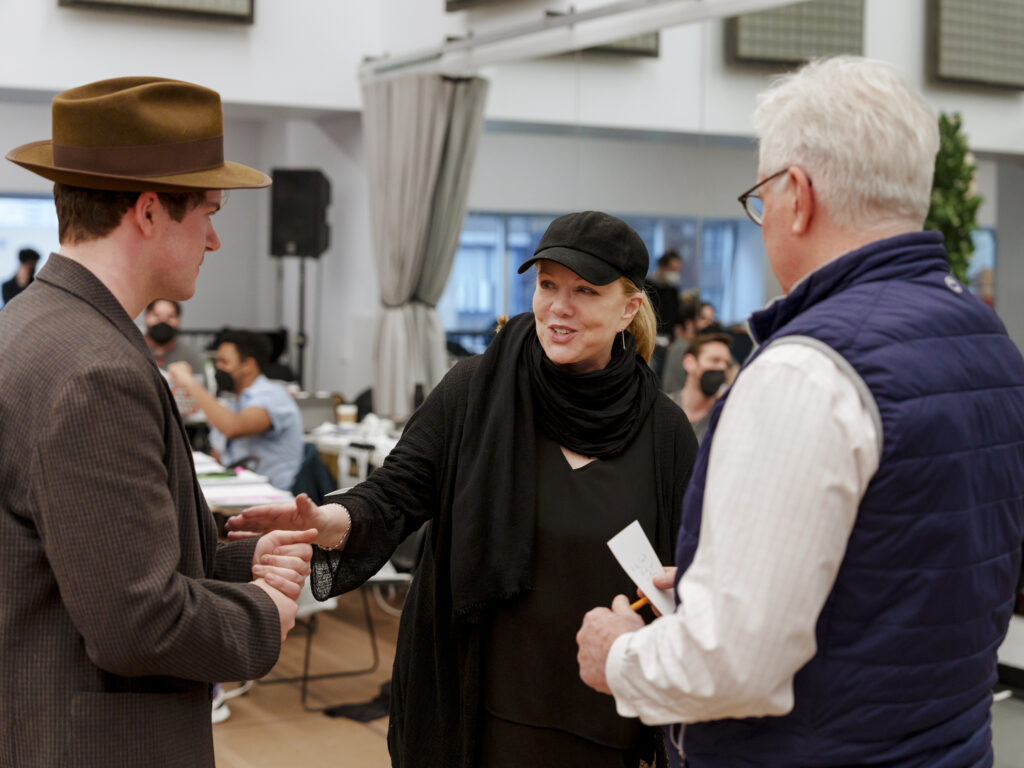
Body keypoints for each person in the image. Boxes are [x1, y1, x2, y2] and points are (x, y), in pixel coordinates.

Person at [576, 56, 1024, 768]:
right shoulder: (986, 339)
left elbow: (736, 665)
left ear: (798, 195)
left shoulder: (806, 370)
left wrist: (621, 656)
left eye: (760, 198)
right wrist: (727, 573)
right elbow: (910, 565)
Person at [228, 210, 699, 767]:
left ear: (629, 308)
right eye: (547, 285)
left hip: (603, 710)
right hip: (479, 701)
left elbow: (691, 567)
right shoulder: (476, 391)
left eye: (585, 291)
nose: (558, 307)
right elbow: (395, 492)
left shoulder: (664, 431)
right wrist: (331, 520)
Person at [0, 77, 317, 768]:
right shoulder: (96, 370)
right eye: (207, 213)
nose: (215, 240)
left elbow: (92, 556)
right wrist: (264, 613)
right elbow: (137, 623)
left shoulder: (32, 324)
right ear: (148, 211)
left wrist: (240, 563)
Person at [169, 329, 304, 491]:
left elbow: (232, 427)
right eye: (217, 361)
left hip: (269, 495)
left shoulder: (274, 397)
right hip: (234, 489)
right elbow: (217, 456)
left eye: (224, 362)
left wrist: (189, 382)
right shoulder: (233, 402)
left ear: (248, 365)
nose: (218, 367)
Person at [145, 297, 209, 416]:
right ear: (146, 317)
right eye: (156, 316)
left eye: (170, 317)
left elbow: (203, 393)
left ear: (178, 320)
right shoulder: (132, 349)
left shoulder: (191, 355)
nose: (163, 322)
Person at [667, 331, 732, 442]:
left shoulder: (725, 417)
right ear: (689, 363)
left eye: (726, 363)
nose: (722, 367)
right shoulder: (662, 408)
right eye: (715, 360)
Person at [644, 250, 684, 380]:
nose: (675, 273)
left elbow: (677, 318)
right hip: (649, 340)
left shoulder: (673, 290)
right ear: (662, 266)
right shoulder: (647, 286)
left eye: (677, 270)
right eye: (672, 269)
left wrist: (675, 340)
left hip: (668, 342)